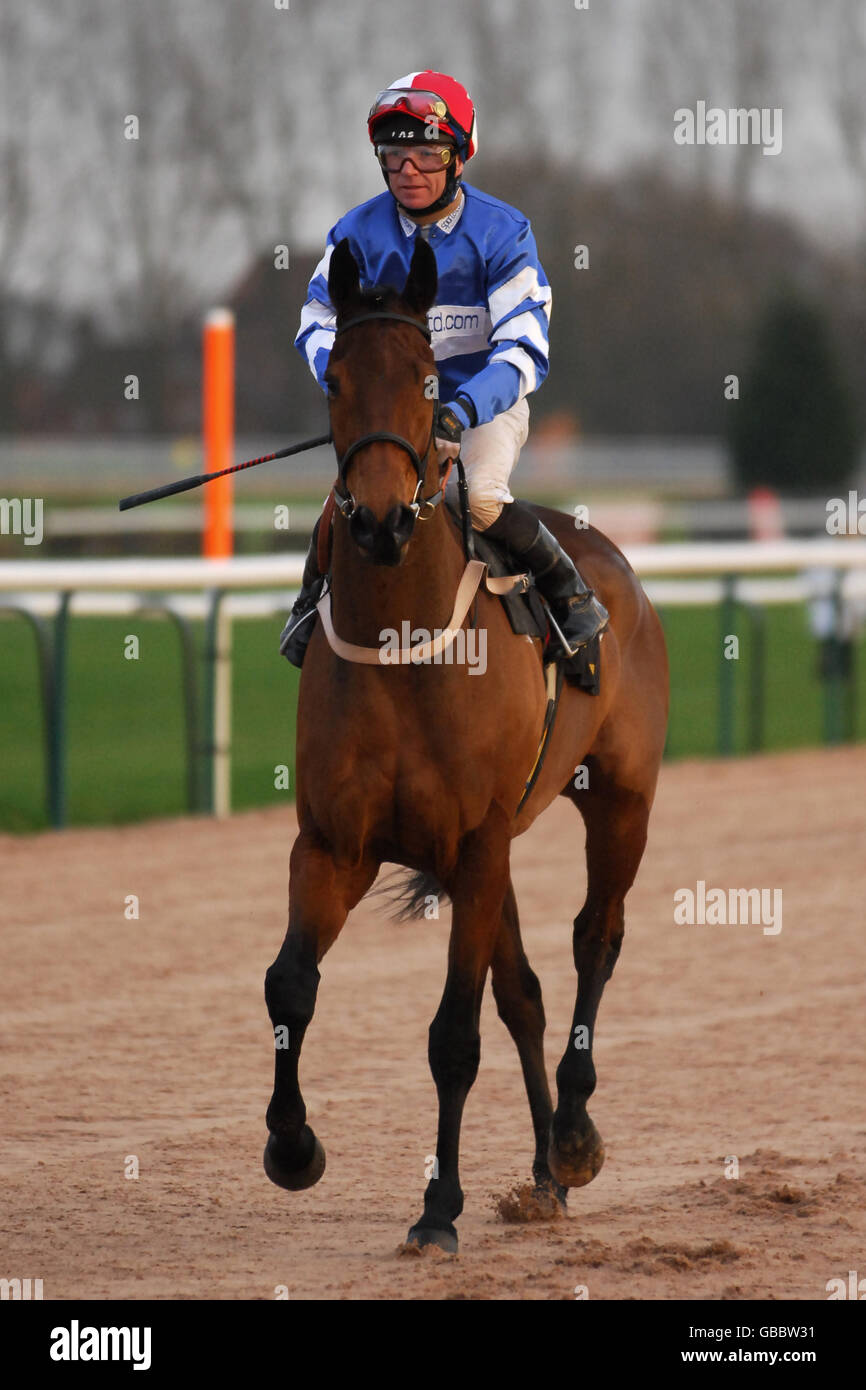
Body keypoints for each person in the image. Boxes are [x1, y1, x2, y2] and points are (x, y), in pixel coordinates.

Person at [280, 70, 608, 667]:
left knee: (480, 496)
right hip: (391, 411)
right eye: (395, 155)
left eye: (427, 154)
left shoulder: (503, 232)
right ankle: (308, 604)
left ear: (459, 157)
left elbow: (525, 349)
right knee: (349, 500)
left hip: (482, 406)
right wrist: (350, 385)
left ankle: (571, 594)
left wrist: (459, 411)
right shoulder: (355, 234)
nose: (409, 170)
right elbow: (314, 320)